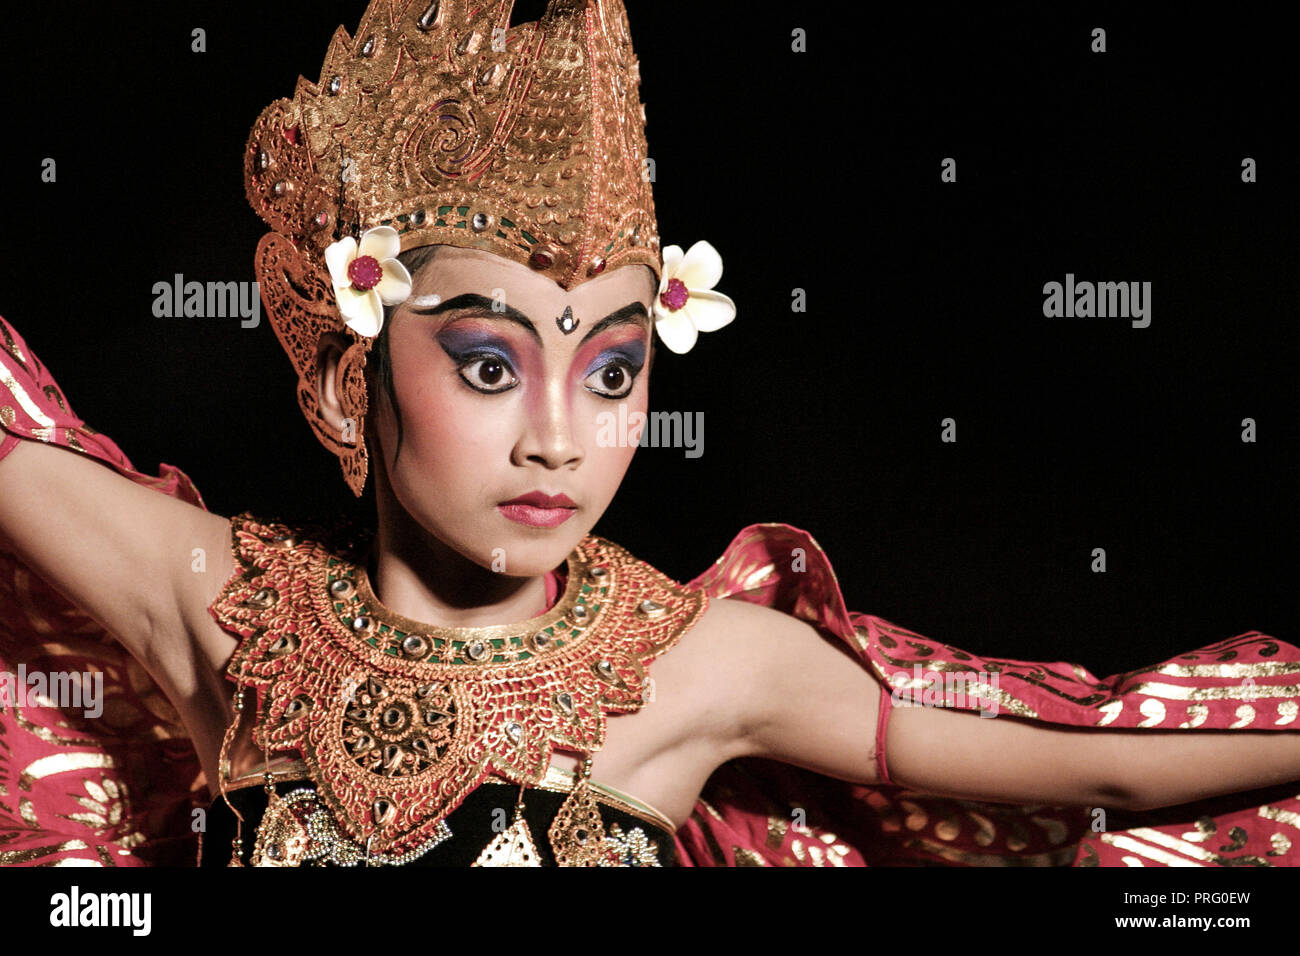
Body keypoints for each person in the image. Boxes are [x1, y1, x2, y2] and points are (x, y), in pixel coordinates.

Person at [2, 0, 1299, 867]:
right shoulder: (222, 601)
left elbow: (1106, 770)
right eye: (489, 364)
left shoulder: (700, 667)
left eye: (614, 370)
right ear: (351, 387)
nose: (562, 438)